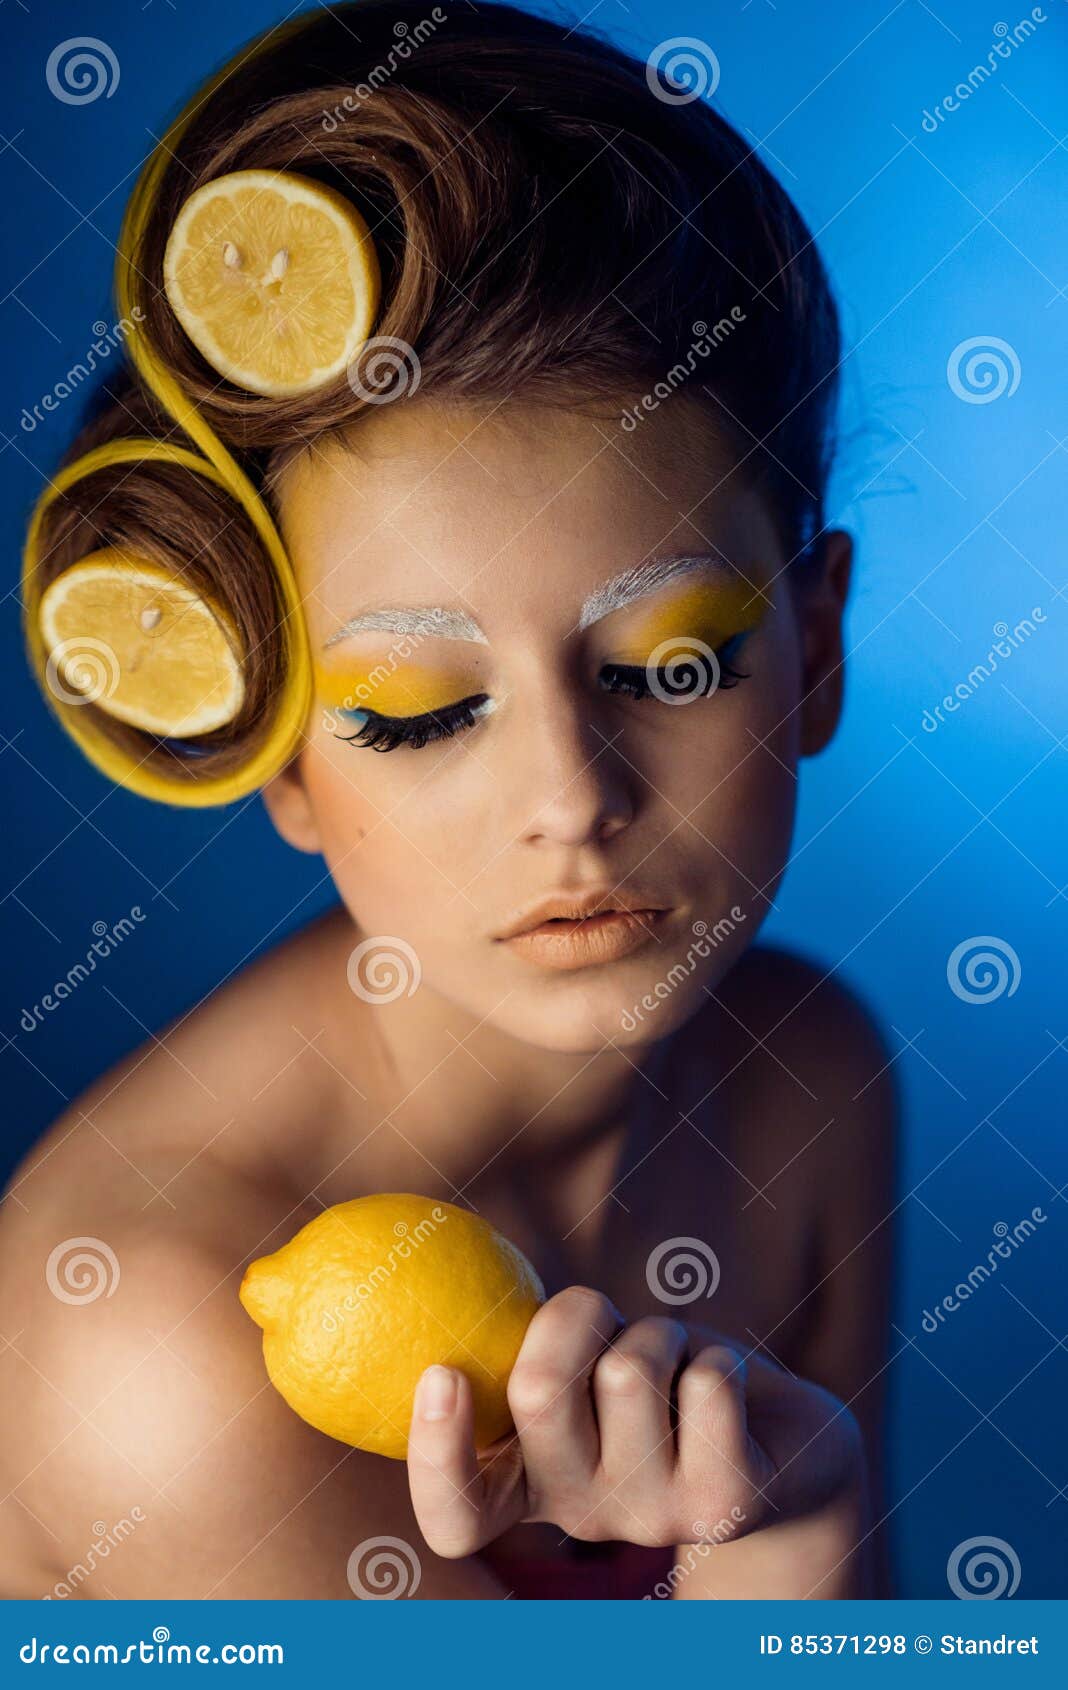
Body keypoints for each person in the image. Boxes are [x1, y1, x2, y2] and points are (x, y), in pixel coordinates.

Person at [0, 0, 896, 1599]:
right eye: (417, 711)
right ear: (283, 757)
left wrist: (798, 1513)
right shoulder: (149, 1325)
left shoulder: (810, 1085)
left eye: (671, 664)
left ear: (814, 649)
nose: (572, 799)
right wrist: (779, 1548)